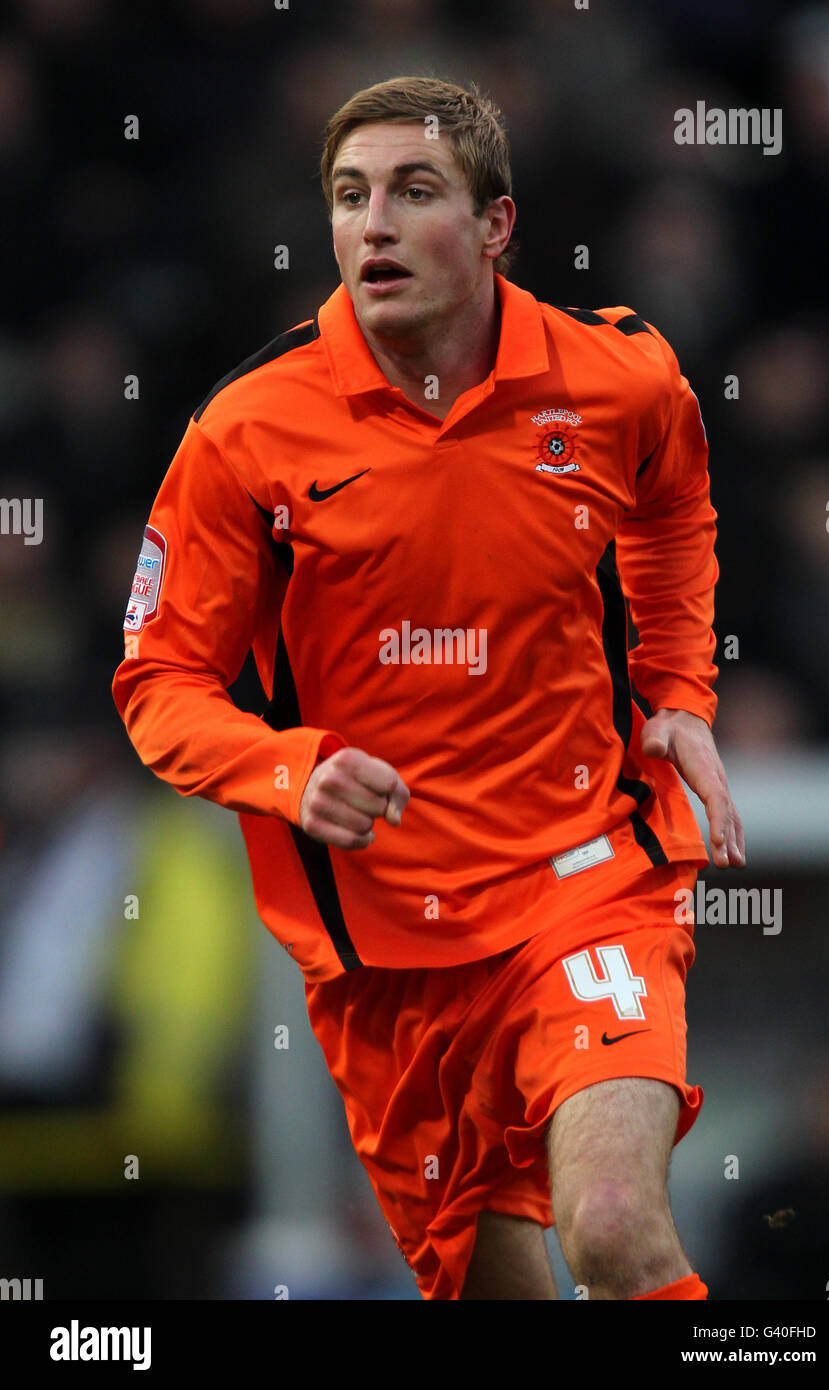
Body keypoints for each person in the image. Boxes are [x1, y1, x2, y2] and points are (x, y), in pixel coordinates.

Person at [112, 75, 746, 1301]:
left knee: (610, 1230)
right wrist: (286, 769)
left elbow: (674, 505)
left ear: (496, 225)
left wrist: (675, 687)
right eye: (350, 198)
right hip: (383, 952)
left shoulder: (613, 378)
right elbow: (159, 682)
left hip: (585, 879)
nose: (374, 226)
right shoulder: (247, 432)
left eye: (413, 192)